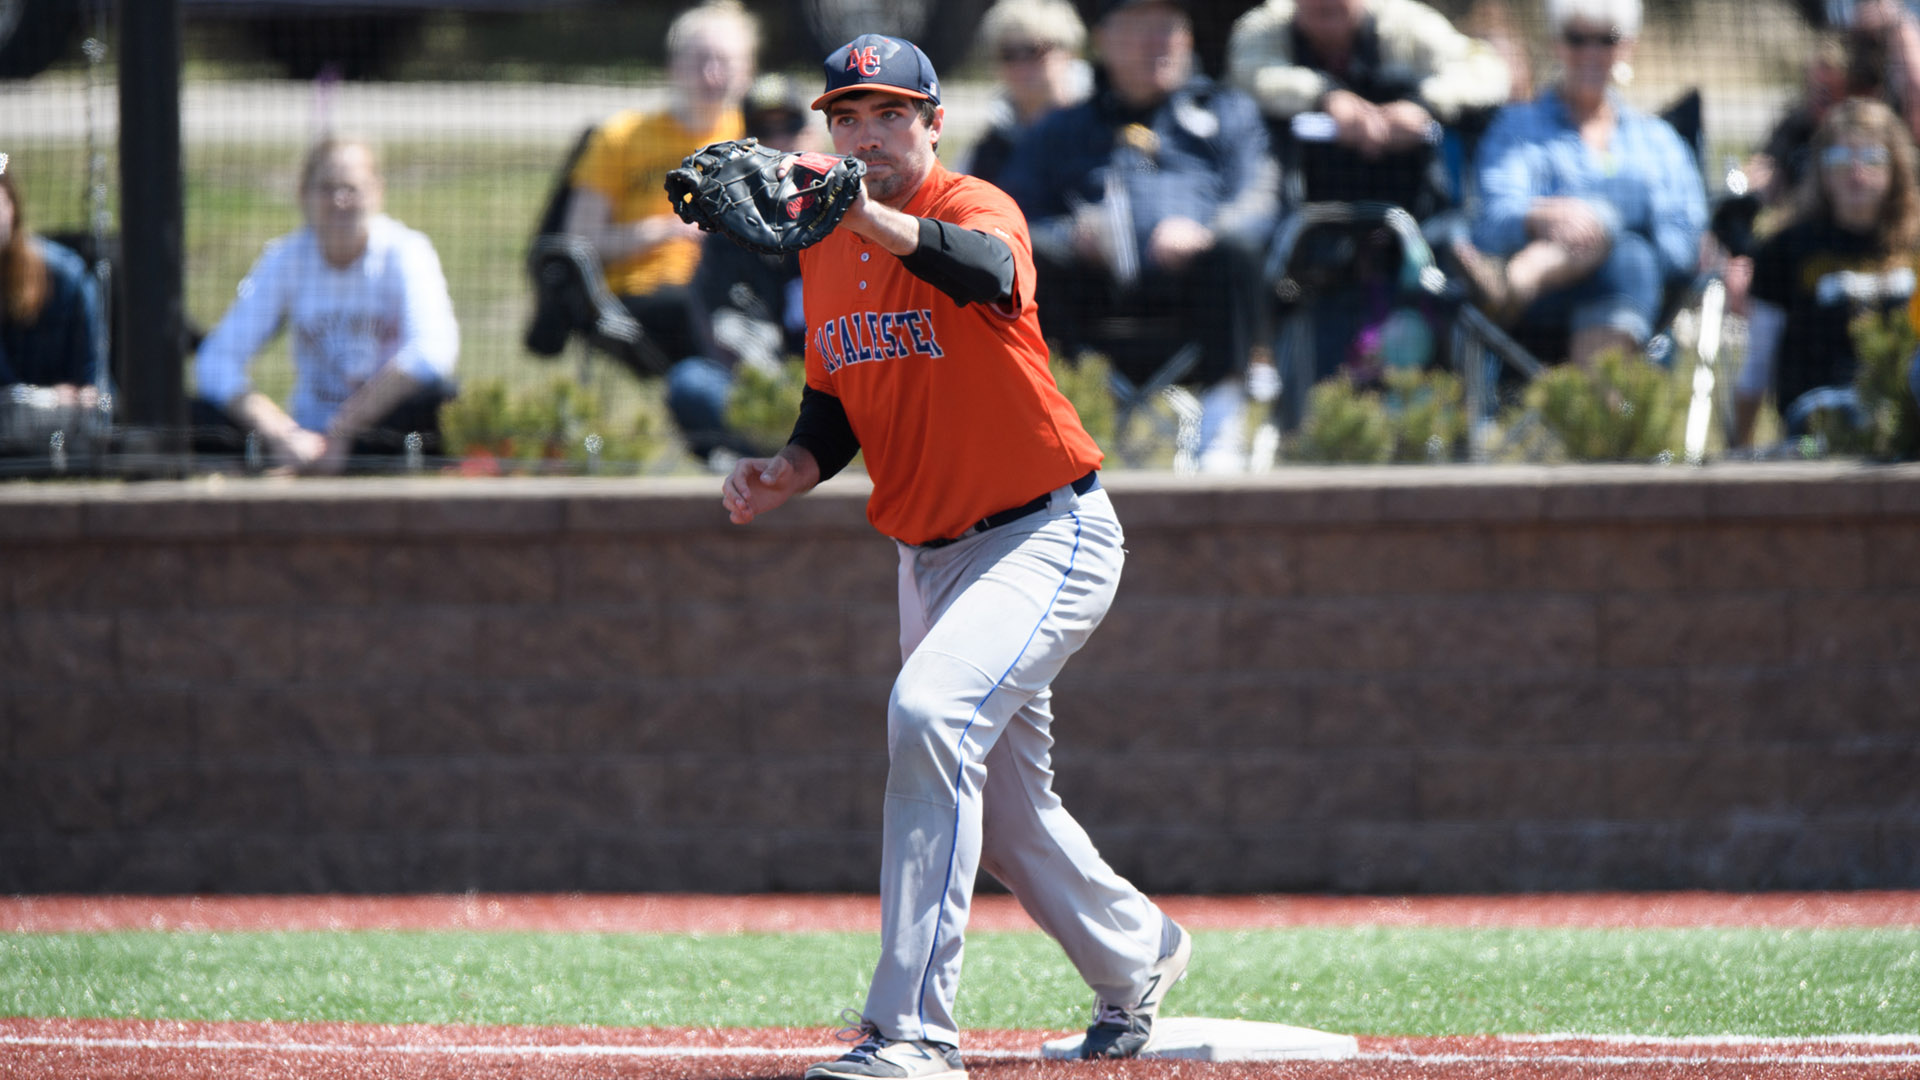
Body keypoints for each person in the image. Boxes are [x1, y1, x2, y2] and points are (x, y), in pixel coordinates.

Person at [720, 33, 1191, 1080]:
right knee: (1014, 818)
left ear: (933, 125)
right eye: (847, 116)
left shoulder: (976, 204)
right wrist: (790, 467)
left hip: (1045, 533)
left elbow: (982, 275)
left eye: (891, 114)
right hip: (927, 560)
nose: (868, 134)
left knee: (929, 716)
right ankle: (1135, 957)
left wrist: (853, 211)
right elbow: (837, 395)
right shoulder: (823, 244)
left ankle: (912, 1033)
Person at [1000, 0, 1279, 472]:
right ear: (1103, 41)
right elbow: (1008, 213)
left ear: (1187, 38)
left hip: (1198, 303)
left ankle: (1221, 431)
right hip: (1092, 307)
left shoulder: (1229, 113)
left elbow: (1262, 198)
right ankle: (1053, 428)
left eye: (1168, 28)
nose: (1156, 43)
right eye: (1139, 29)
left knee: (1234, 251)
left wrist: (1206, 234)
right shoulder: (1061, 128)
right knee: (1028, 255)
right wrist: (1072, 237)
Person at [1452, 0, 1706, 368]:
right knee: (1623, 249)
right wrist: (1539, 216)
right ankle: (1594, 420)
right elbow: (1491, 222)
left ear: (1627, 46)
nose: (1591, 52)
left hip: (1641, 296)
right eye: (1577, 38)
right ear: (1557, 43)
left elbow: (1681, 242)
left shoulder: (1659, 141)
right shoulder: (1517, 127)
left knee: (1626, 252)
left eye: (1606, 39)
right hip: (1540, 310)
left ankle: (1511, 285)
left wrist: (1605, 228)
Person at [192, 137, 459, 472]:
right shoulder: (286, 259)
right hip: (304, 434)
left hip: (380, 431)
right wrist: (281, 433)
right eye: (327, 188)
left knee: (442, 397)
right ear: (303, 194)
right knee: (193, 413)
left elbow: (434, 351)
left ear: (377, 191)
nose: (339, 200)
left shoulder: (406, 252)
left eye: (351, 188)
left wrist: (346, 430)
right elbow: (214, 360)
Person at [561, 0, 756, 376]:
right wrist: (664, 231)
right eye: (700, 60)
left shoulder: (755, 141)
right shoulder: (620, 138)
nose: (713, 75)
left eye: (725, 62)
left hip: (737, 296)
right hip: (640, 297)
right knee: (693, 311)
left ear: (747, 71)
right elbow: (578, 243)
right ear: (673, 67)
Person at [1732, 98, 1920, 446]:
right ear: (1820, 170)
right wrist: (1741, 445)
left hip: (1906, 417)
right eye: (1839, 159)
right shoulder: (1785, 248)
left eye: (1871, 159)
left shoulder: (1916, 245)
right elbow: (1757, 360)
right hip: (1818, 418)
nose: (1855, 173)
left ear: (1896, 168)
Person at [1225, 0, 1511, 223]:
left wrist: (1422, 105)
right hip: (1297, 196)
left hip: (1411, 191)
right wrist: (1325, 97)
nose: (1326, 3)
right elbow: (1244, 74)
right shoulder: (1266, 25)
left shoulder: (1404, 23)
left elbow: (1488, 71)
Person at [672, 73, 818, 465]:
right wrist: (763, 381)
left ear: (809, 135)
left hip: (830, 386)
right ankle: (753, 461)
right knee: (690, 383)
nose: (777, 141)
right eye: (762, 131)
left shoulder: (841, 215)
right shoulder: (724, 226)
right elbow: (711, 321)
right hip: (758, 383)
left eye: (787, 127)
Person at [1, 155, 108, 446]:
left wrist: (80, 399)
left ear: (13, 207)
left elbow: (93, 386)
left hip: (65, 424)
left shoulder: (65, 276)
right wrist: (47, 397)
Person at [959, 0, 1093, 188]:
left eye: (1034, 51)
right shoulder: (987, 151)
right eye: (1008, 54)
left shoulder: (1101, 129)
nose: (1021, 66)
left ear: (1068, 53)